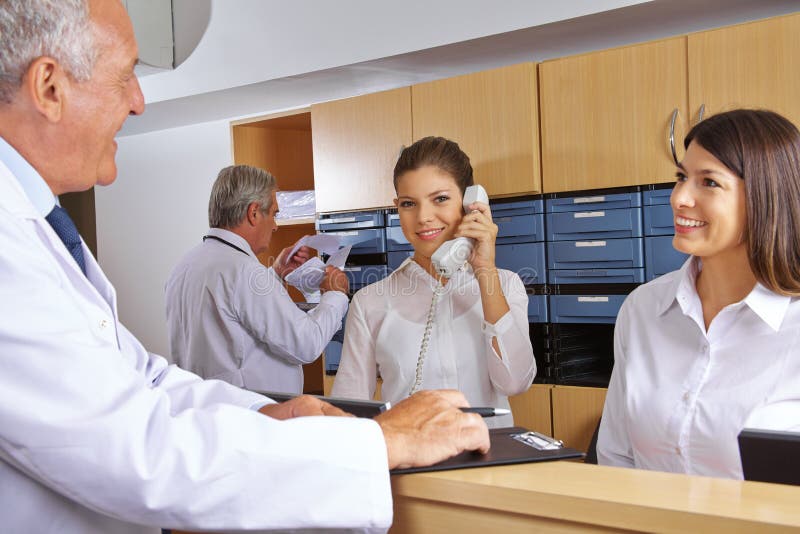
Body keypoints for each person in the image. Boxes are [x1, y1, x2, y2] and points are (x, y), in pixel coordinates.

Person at [0, 1, 490, 532]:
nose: (140, 101)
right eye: (125, 76)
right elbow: (138, 447)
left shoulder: (185, 264)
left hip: (228, 445)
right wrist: (376, 430)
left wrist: (261, 412)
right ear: (49, 87)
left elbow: (146, 378)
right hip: (220, 469)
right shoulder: (14, 249)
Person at [597, 109, 800, 479]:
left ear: (766, 196)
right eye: (681, 177)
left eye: (708, 182)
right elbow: (616, 455)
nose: (679, 198)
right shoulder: (643, 309)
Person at [332, 136, 536, 428]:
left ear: (470, 204)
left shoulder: (505, 284)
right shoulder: (370, 302)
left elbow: (515, 382)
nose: (423, 217)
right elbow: (346, 415)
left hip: (490, 454)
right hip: (409, 454)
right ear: (397, 207)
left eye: (440, 198)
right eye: (409, 204)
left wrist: (484, 270)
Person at [165, 164, 349, 394]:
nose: (275, 226)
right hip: (248, 410)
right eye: (273, 214)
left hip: (205, 405)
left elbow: (235, 314)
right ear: (253, 213)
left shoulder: (184, 266)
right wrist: (335, 295)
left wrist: (275, 273)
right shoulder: (244, 271)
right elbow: (306, 343)